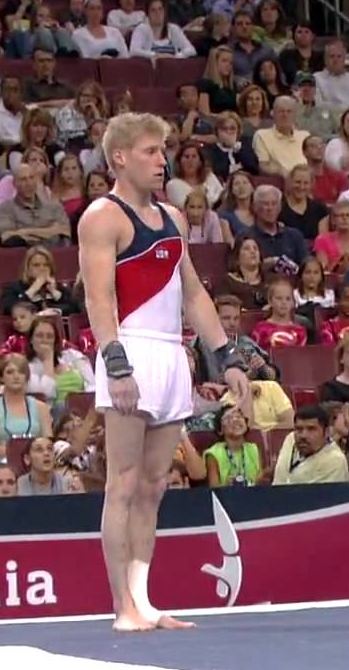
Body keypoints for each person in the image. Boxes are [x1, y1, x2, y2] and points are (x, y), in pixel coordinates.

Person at [78, 111, 250, 631]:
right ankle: (119, 607)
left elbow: (193, 293)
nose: (163, 160)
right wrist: (115, 363)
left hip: (172, 354)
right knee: (123, 485)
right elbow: (98, 296)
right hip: (129, 349)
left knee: (155, 485)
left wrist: (227, 356)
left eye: (164, 149)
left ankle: (143, 600)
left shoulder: (174, 218)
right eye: (152, 151)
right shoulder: (102, 217)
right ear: (120, 159)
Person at [0, 354, 52, 462]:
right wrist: (29, 453)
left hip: (37, 463)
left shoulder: (41, 407)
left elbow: (48, 444)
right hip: (5, 464)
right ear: (1, 378)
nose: (16, 376)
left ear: (27, 377)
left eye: (21, 372)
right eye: (10, 372)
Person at [271, 404, 349, 484]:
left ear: (326, 432)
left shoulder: (335, 460)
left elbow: (322, 496)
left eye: (311, 429)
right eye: (299, 429)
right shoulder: (290, 439)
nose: (303, 435)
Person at [250, 278, 308, 349]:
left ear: (293, 302)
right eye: (279, 298)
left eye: (288, 299)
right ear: (270, 301)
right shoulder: (261, 329)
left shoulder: (300, 331)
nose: (284, 302)